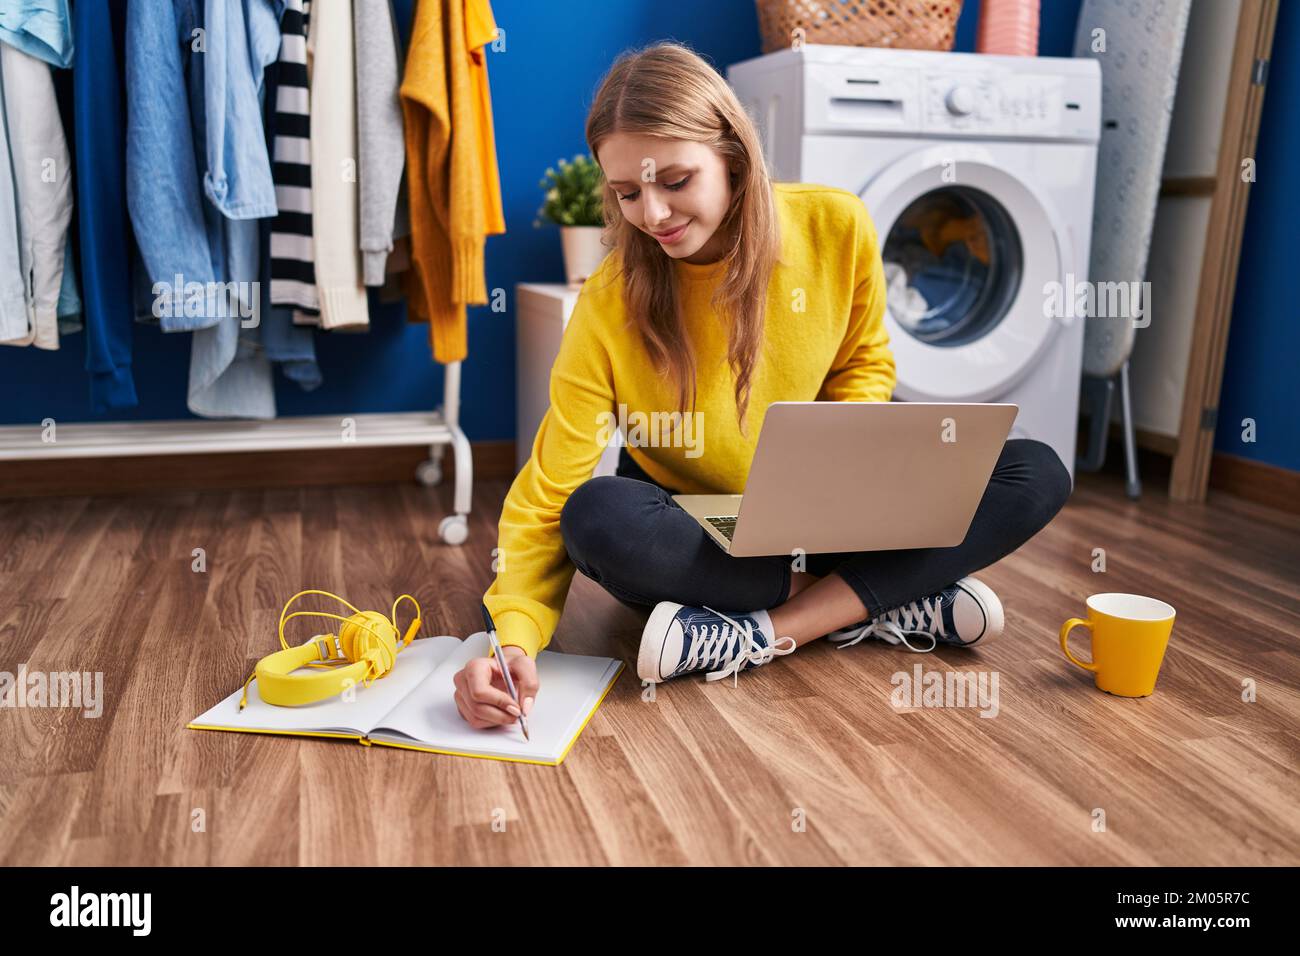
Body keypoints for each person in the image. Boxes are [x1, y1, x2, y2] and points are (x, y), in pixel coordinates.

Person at [452, 41, 1072, 727]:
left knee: (1035, 471)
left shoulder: (835, 225)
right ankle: (879, 602)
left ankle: (764, 629)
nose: (652, 214)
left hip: (825, 510)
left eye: (676, 181)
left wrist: (842, 464)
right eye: (627, 193)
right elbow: (551, 492)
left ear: (734, 158)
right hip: (697, 530)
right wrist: (508, 641)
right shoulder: (608, 303)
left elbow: (863, 361)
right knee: (596, 517)